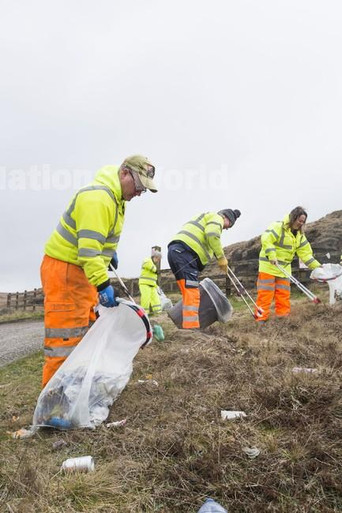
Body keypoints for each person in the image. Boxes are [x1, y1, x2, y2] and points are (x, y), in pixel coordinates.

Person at [40, 155, 157, 387]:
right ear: (124, 173)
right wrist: (103, 285)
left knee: (86, 333)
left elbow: (95, 242)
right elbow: (88, 253)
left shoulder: (116, 199)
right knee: (66, 338)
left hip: (81, 272)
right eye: (139, 186)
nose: (140, 193)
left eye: (144, 189)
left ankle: (76, 389)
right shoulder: (99, 199)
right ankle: (53, 403)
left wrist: (107, 253)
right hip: (66, 271)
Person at [167, 209, 241, 330]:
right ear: (226, 218)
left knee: (188, 293)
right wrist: (221, 257)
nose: (226, 229)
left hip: (177, 252)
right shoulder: (217, 218)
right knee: (192, 292)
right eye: (229, 226)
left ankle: (183, 326)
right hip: (186, 254)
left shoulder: (205, 217)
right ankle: (191, 329)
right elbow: (212, 234)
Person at [255, 206, 321, 322]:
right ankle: (260, 320)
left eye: (303, 222)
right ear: (293, 217)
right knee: (265, 295)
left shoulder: (300, 236)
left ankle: (283, 319)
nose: (300, 223)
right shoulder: (278, 226)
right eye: (299, 220)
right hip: (269, 267)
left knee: (283, 295)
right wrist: (271, 255)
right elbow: (266, 239)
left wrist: (317, 267)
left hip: (284, 269)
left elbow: (306, 254)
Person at [138, 249, 162, 315]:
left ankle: (158, 313)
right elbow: (148, 266)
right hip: (145, 284)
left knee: (156, 300)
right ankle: (144, 314)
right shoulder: (147, 260)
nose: (158, 261)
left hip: (152, 285)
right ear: (155, 257)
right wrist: (155, 270)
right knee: (145, 300)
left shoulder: (153, 264)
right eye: (158, 259)